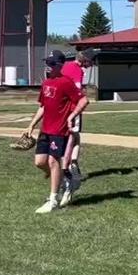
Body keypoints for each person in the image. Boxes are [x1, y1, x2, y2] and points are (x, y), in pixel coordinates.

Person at [24, 50, 89, 214]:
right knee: (40, 162)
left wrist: (72, 116)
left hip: (59, 130)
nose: (48, 66)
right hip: (45, 129)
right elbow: (43, 106)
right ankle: (66, 180)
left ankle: (52, 200)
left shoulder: (65, 82)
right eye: (47, 63)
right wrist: (31, 124)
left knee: (53, 162)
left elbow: (84, 100)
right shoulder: (46, 83)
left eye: (51, 64)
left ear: (59, 66)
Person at [59, 49, 95, 193]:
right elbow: (77, 90)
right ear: (84, 60)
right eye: (90, 62)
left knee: (72, 135)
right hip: (73, 108)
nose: (91, 65)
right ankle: (70, 165)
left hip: (62, 106)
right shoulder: (77, 70)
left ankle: (71, 162)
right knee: (74, 135)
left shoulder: (66, 66)